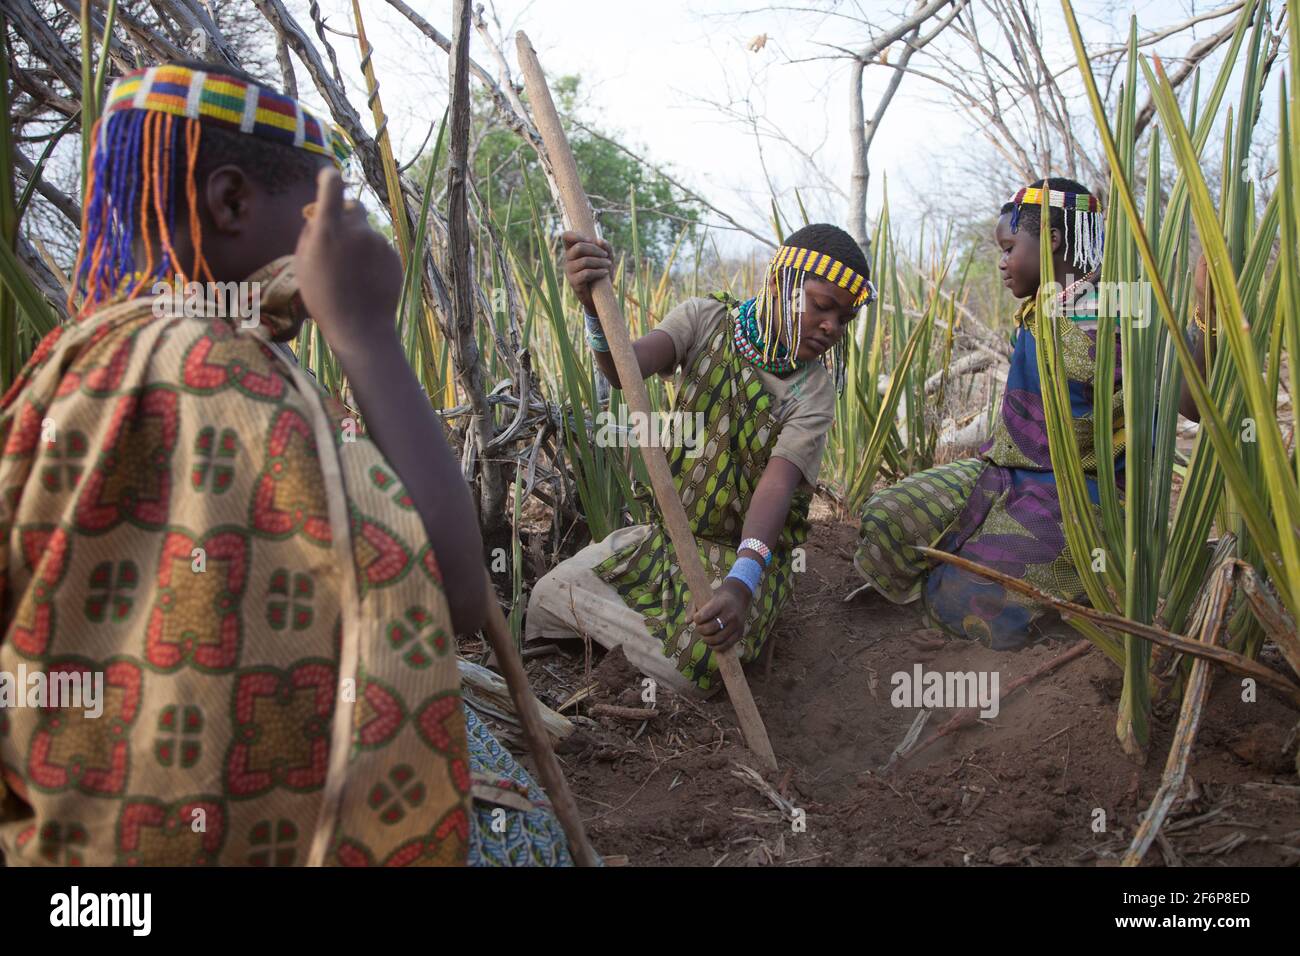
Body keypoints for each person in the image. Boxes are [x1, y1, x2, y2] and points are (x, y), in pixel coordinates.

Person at [0, 62, 570, 866]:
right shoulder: (222, 372)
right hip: (222, 835)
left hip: (72, 844)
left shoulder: (62, 364)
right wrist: (366, 331)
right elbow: (451, 597)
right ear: (231, 203)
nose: (338, 240)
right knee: (518, 839)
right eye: (320, 215)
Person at [526, 225, 874, 694]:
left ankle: (618, 637)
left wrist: (740, 586)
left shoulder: (812, 392)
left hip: (743, 558)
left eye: (844, 318)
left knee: (694, 665)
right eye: (821, 306)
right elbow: (623, 368)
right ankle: (635, 640)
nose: (832, 326)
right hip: (671, 536)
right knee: (545, 597)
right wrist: (593, 307)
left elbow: (775, 487)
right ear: (781, 285)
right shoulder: (706, 319)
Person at [853, 177, 1121, 648]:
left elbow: (1184, 401)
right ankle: (961, 570)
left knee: (972, 601)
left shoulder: (1114, 316)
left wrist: (1209, 319)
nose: (1001, 262)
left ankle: (1031, 602)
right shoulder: (1046, 308)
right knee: (887, 517)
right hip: (1002, 471)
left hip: (1082, 490)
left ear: (1053, 241)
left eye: (1009, 246)